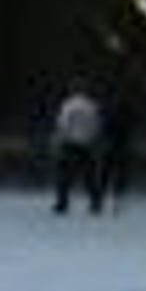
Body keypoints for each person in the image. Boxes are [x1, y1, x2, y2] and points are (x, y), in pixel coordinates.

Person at [49, 84, 102, 214]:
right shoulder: (91, 105)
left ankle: (62, 203)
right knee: (89, 175)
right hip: (87, 144)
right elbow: (96, 124)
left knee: (65, 175)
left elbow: (62, 123)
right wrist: (93, 138)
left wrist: (59, 139)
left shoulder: (68, 105)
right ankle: (95, 203)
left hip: (70, 143)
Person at [95, 94, 133, 213]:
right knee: (120, 174)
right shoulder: (127, 116)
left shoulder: (107, 114)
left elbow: (101, 128)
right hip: (121, 147)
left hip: (108, 147)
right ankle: (117, 199)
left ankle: (99, 199)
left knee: (104, 174)